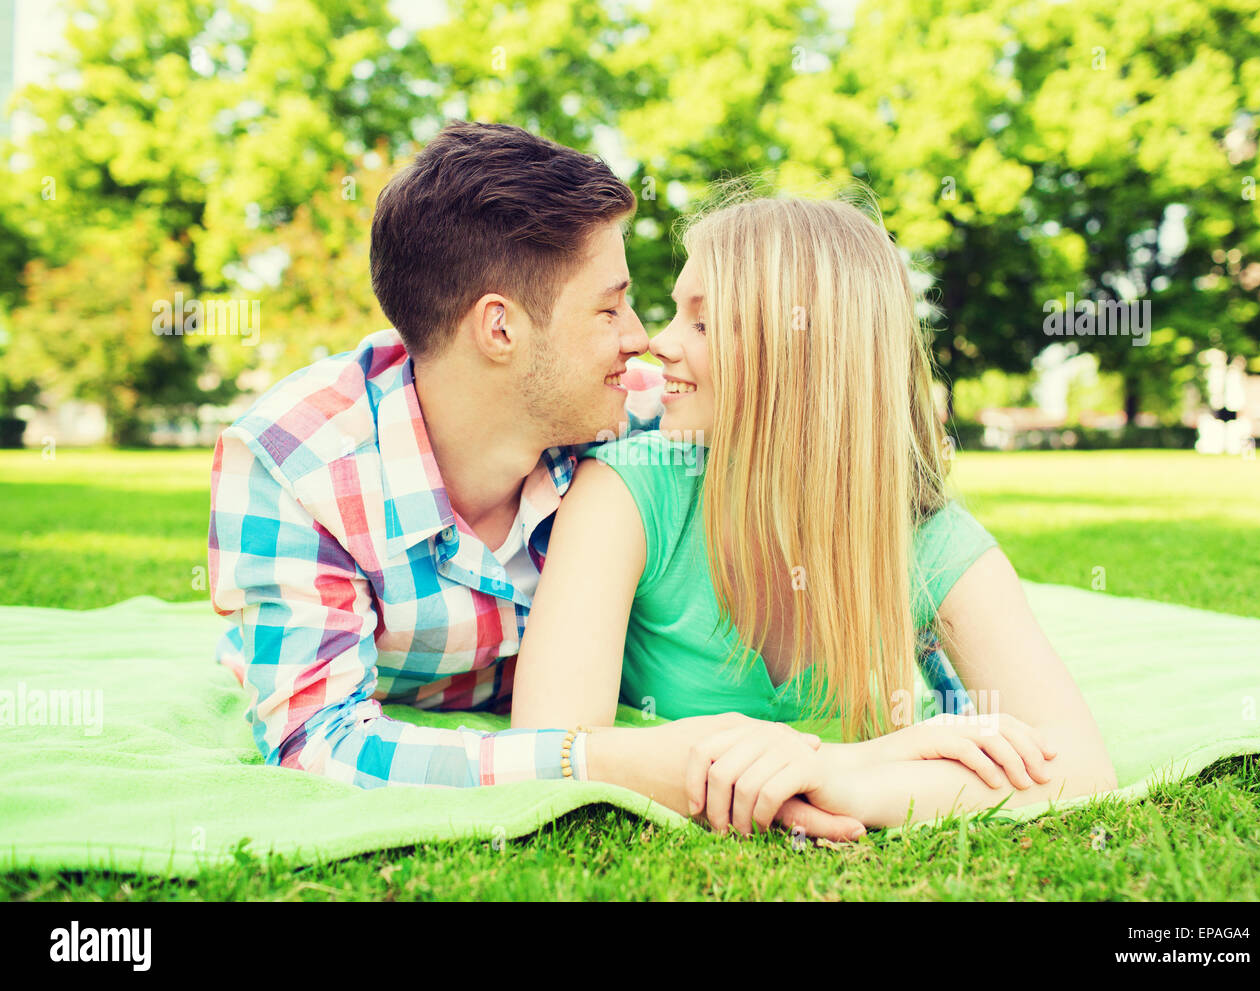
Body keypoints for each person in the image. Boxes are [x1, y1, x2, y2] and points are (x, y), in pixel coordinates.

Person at [207, 121, 868, 839]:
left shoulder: (647, 414)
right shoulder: (296, 465)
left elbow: (816, 441)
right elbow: (318, 744)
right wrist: (603, 759)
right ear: (500, 329)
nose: (642, 337)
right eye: (610, 307)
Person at [511, 193, 1119, 834]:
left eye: (704, 324)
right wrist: (855, 760)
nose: (657, 344)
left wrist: (837, 776)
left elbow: (1079, 765)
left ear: (802, 353)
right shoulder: (625, 493)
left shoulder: (927, 537)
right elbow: (547, 742)